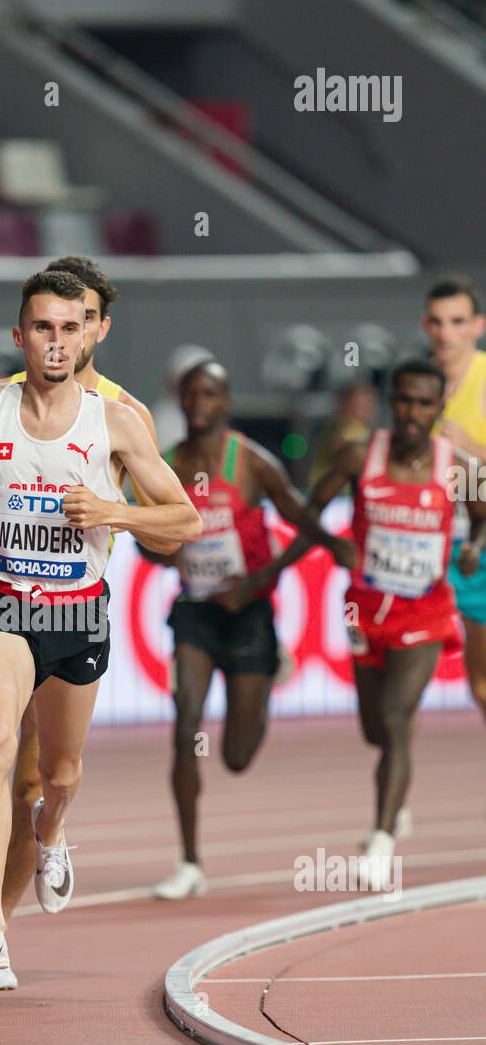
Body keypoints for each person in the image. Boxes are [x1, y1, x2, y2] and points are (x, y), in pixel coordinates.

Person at [0, 268, 200, 984]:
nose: (55, 343)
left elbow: (183, 522)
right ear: (20, 337)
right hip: (1, 597)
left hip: (77, 610)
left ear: (89, 334)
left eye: (68, 329)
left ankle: (52, 833)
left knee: (61, 771)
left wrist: (112, 512)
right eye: (42, 330)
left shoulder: (116, 421)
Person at [263, 359, 486, 886]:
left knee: (397, 712)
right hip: (363, 610)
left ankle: (382, 838)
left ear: (438, 409)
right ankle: (396, 794)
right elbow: (300, 508)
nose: (413, 413)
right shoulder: (360, 455)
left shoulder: (456, 466)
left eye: (425, 404)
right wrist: (324, 544)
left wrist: (474, 547)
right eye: (405, 400)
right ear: (393, 403)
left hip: (424, 611)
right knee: (375, 728)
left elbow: (480, 517)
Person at [143, 360, 352, 899]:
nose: (197, 404)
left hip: (249, 613)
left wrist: (276, 571)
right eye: (190, 394)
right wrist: (164, 549)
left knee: (235, 755)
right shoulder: (165, 466)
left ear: (226, 402)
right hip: (195, 610)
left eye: (209, 394)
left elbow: (304, 522)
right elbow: (148, 541)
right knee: (185, 720)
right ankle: (189, 862)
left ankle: (267, 671)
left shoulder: (252, 463)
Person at [421, 275, 486, 721]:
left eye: (457, 321)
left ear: (477, 326)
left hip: (482, 538)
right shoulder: (416, 387)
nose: (446, 333)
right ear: (426, 326)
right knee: (476, 681)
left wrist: (470, 449)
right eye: (438, 322)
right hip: (434, 541)